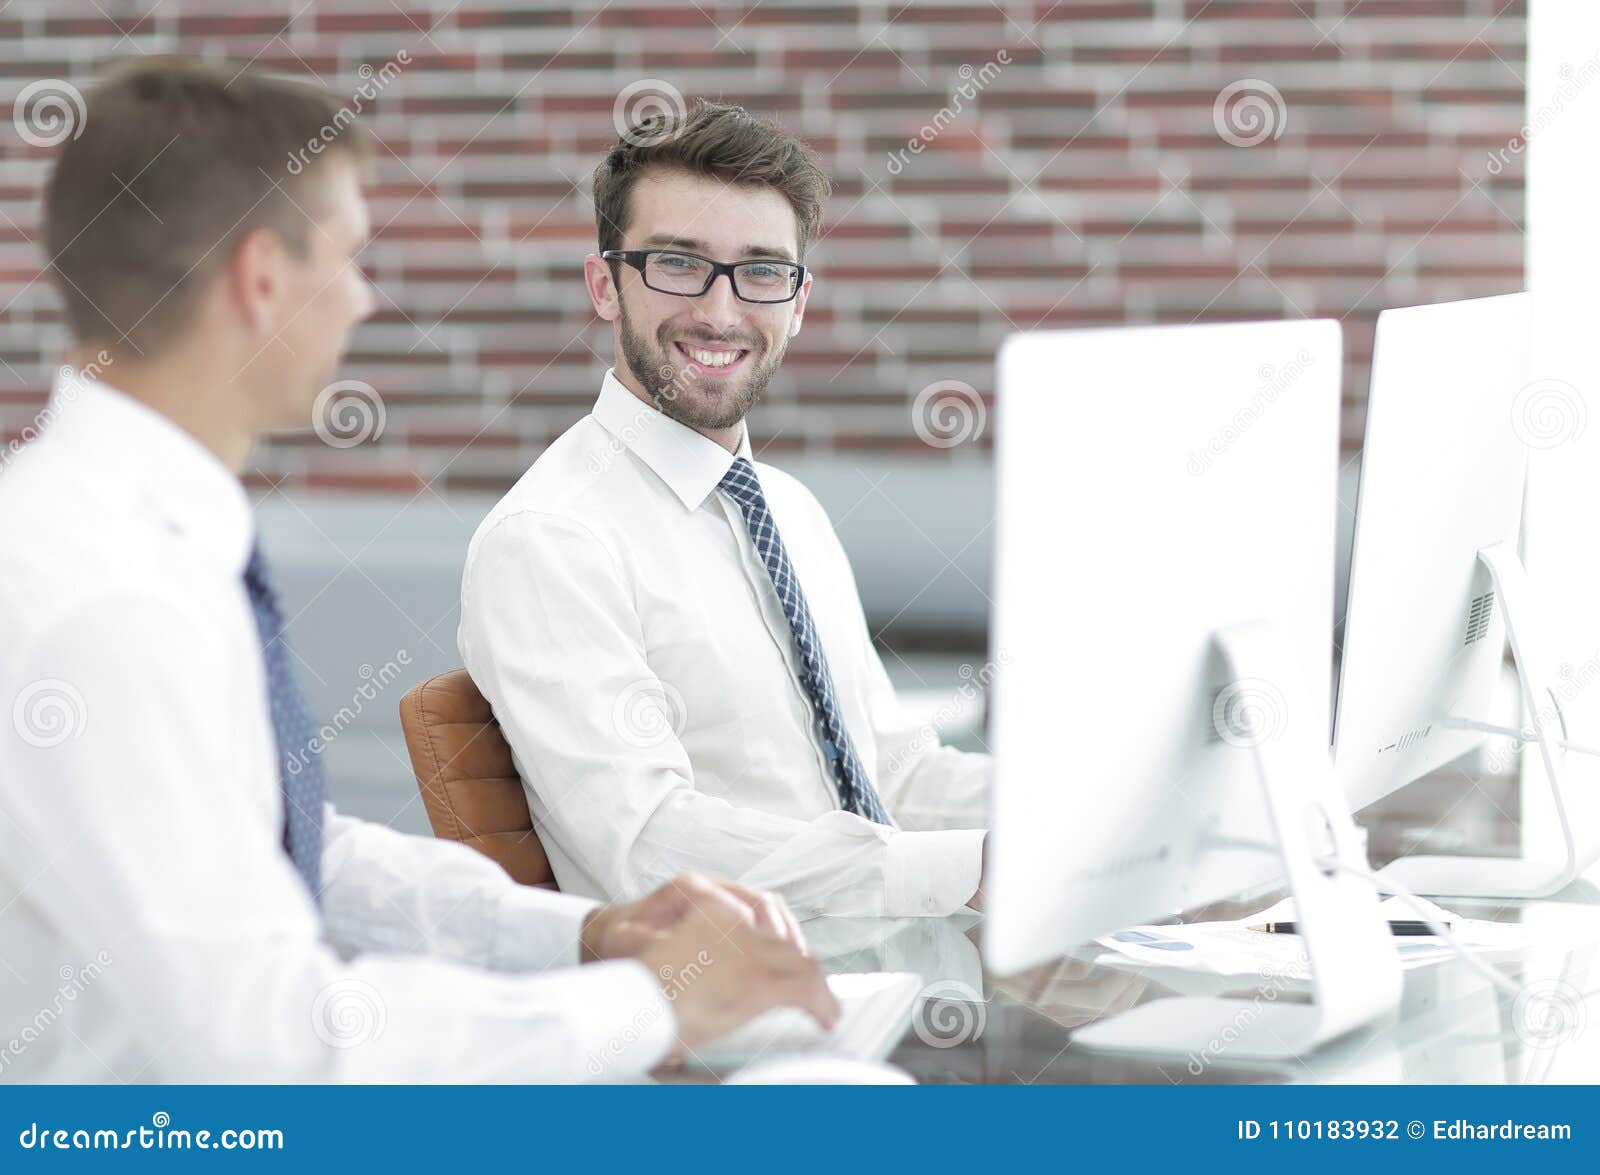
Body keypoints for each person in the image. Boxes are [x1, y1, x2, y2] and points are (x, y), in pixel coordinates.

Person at [0, 57, 833, 1084]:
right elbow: (272, 1041)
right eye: (349, 256)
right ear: (263, 280)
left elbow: (280, 845)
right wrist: (645, 1005)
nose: (364, 297)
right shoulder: (110, 600)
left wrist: (582, 934)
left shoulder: (130, 537)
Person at [458, 100, 990, 919]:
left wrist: (1080, 815)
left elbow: (899, 772)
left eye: (762, 270)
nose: (720, 310)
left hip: (894, 970)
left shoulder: (792, 510)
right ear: (606, 284)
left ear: (799, 301)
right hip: (726, 1022)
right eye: (678, 263)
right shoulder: (552, 540)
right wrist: (959, 873)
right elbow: (648, 844)